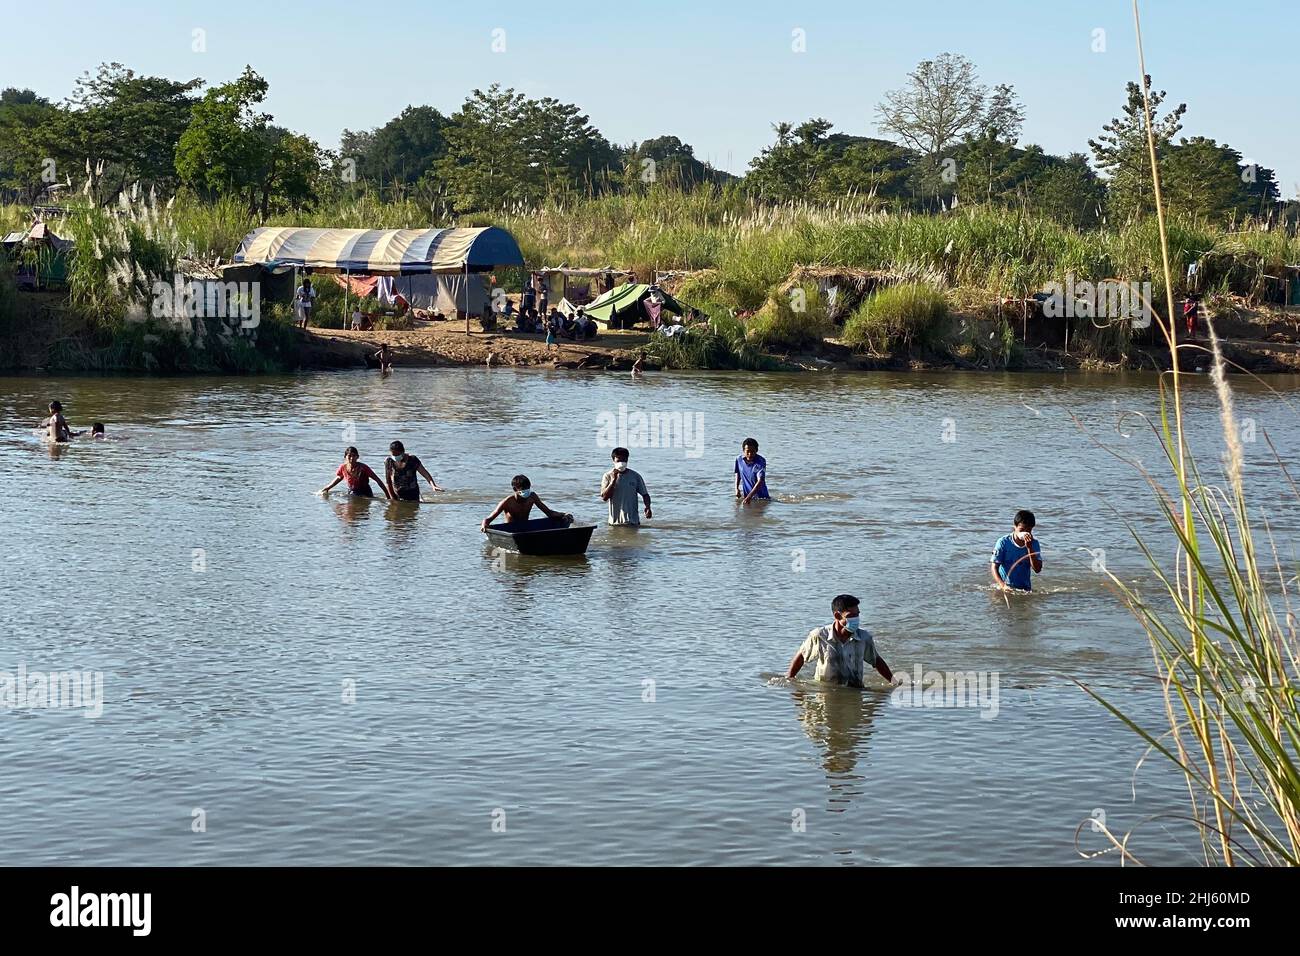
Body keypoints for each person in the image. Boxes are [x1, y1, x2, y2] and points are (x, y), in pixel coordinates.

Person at [787, 594, 895, 688]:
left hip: (855, 691)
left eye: (857, 614)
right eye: (851, 616)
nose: (856, 619)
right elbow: (801, 656)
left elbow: (876, 660)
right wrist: (789, 679)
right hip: (826, 692)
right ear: (837, 616)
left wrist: (894, 682)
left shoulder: (864, 638)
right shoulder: (820, 636)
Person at [481, 475, 573, 531]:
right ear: (515, 489)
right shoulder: (507, 502)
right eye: (523, 490)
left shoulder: (532, 497)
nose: (526, 492)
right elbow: (489, 519)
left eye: (528, 489)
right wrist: (484, 524)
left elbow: (548, 512)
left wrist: (564, 515)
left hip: (525, 528)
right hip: (512, 530)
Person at [990, 509, 1043, 592]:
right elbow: (994, 567)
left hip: (1025, 589)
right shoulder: (1003, 542)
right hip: (1004, 587)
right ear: (1014, 527)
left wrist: (1029, 548)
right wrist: (1003, 585)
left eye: (1028, 530)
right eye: (1022, 530)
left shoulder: (1034, 543)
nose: (1025, 533)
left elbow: (1037, 569)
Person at [600, 447, 652, 526]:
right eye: (619, 460)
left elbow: (645, 494)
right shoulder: (607, 476)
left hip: (633, 522)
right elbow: (604, 497)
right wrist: (613, 480)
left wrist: (648, 507)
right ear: (613, 460)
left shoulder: (635, 476)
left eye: (624, 460)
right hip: (615, 523)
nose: (621, 463)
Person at [320, 446, 391, 499]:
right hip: (352, 491)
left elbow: (377, 480)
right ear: (345, 457)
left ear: (357, 457)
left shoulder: (363, 468)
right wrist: (327, 488)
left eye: (354, 456)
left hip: (365, 492)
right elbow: (339, 477)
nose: (351, 458)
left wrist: (388, 496)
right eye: (349, 456)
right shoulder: (343, 467)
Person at [734, 437, 770, 503]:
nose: (750, 454)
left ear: (756, 451)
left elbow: (760, 481)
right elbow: (737, 473)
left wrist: (749, 497)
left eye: (752, 451)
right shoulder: (739, 460)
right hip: (747, 497)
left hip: (762, 499)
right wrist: (736, 488)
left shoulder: (760, 461)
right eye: (747, 451)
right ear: (743, 451)